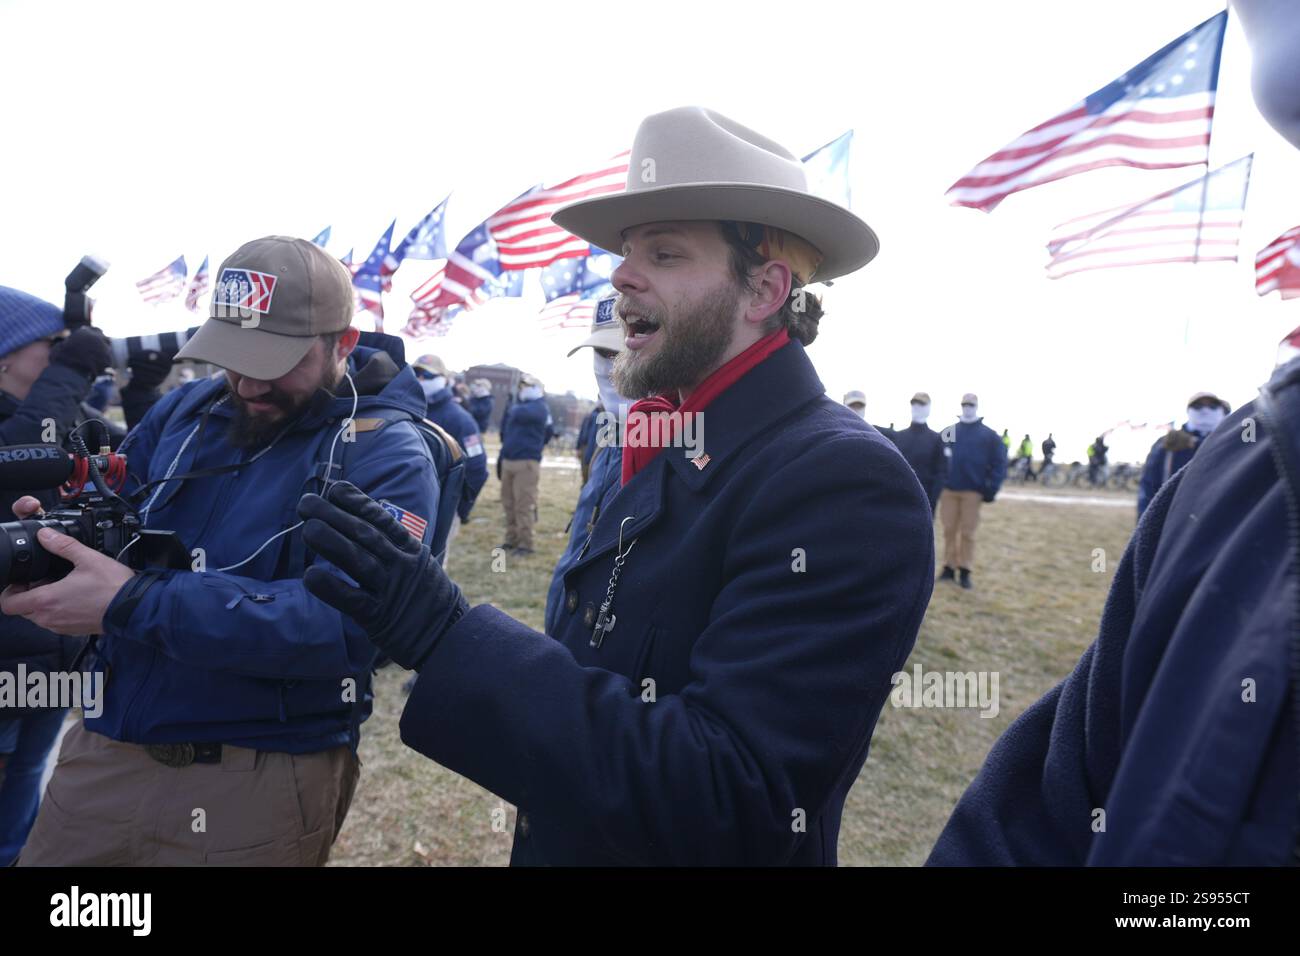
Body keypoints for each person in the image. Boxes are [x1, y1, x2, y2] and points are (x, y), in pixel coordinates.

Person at [293, 105, 935, 865]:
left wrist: (448, 637)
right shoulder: (668, 432)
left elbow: (729, 792)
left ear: (764, 290)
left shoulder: (841, 481)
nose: (620, 274)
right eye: (628, 252)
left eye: (663, 254)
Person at [925, 0, 1300, 866]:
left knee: (967, 528)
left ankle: (963, 564)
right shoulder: (1232, 476)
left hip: (979, 487)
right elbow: (1040, 819)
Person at [1, 236, 440, 866]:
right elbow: (126, 519)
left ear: (341, 343)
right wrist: (62, 545)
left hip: (254, 773)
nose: (250, 383)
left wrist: (131, 602)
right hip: (105, 752)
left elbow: (348, 628)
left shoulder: (384, 452)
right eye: (233, 358)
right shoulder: (189, 409)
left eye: (276, 361)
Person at [0, 285, 111, 866]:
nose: (66, 355)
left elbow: (125, 459)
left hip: (50, 658)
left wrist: (140, 384)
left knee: (25, 787)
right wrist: (72, 368)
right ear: (6, 356)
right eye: (52, 346)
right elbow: (17, 457)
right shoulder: (34, 423)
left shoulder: (62, 418)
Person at [544, 301, 630, 638]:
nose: (613, 369)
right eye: (603, 354)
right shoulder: (611, 434)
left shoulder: (681, 442)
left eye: (621, 353)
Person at [412, 354, 488, 538]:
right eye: (416, 373)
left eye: (428, 375)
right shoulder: (405, 408)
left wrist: (457, 508)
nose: (421, 379)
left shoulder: (461, 420)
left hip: (440, 511)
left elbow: (477, 469)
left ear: (443, 380)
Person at [938, 393, 1006, 590]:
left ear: (976, 406)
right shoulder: (949, 432)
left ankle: (965, 570)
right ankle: (948, 567)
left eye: (971, 404)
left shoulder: (989, 436)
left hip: (972, 492)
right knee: (949, 530)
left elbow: (999, 463)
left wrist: (991, 487)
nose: (967, 408)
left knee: (968, 532)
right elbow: (939, 457)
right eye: (964, 404)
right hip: (949, 491)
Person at [1136, 391, 1230, 518]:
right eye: (1198, 406)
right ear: (1189, 411)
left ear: (1221, 411)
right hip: (1174, 517)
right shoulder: (1168, 443)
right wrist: (1145, 521)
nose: (1205, 411)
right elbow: (1148, 486)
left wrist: (1196, 443)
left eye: (1212, 406)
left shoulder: (1230, 442)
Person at [497, 372, 553, 556]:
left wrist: (512, 405)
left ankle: (526, 544)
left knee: (523, 504)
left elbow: (520, 414)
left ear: (537, 389)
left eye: (527, 387)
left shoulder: (539, 407)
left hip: (526, 462)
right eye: (521, 387)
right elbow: (505, 428)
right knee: (508, 503)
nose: (522, 390)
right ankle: (511, 538)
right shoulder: (518, 406)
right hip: (509, 459)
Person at [887, 391, 947, 513]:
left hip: (925, 501)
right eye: (914, 404)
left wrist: (932, 499)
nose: (917, 408)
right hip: (898, 499)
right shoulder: (899, 437)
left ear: (928, 408)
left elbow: (941, 472)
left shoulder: (937, 439)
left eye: (921, 404)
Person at [575, 402, 602, 485]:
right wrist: (578, 447)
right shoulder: (590, 415)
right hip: (586, 450)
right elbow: (583, 432)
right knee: (585, 477)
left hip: (598, 451)